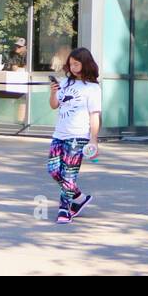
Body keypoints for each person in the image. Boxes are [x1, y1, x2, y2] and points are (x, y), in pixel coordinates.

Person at [48, 46, 102, 224]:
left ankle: (65, 209)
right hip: (59, 134)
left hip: (78, 136)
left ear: (85, 64)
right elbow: (54, 105)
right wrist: (54, 91)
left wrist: (93, 139)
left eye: (76, 64)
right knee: (54, 171)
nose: (72, 67)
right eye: (70, 64)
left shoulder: (92, 88)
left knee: (69, 174)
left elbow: (95, 115)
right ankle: (79, 198)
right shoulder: (65, 82)